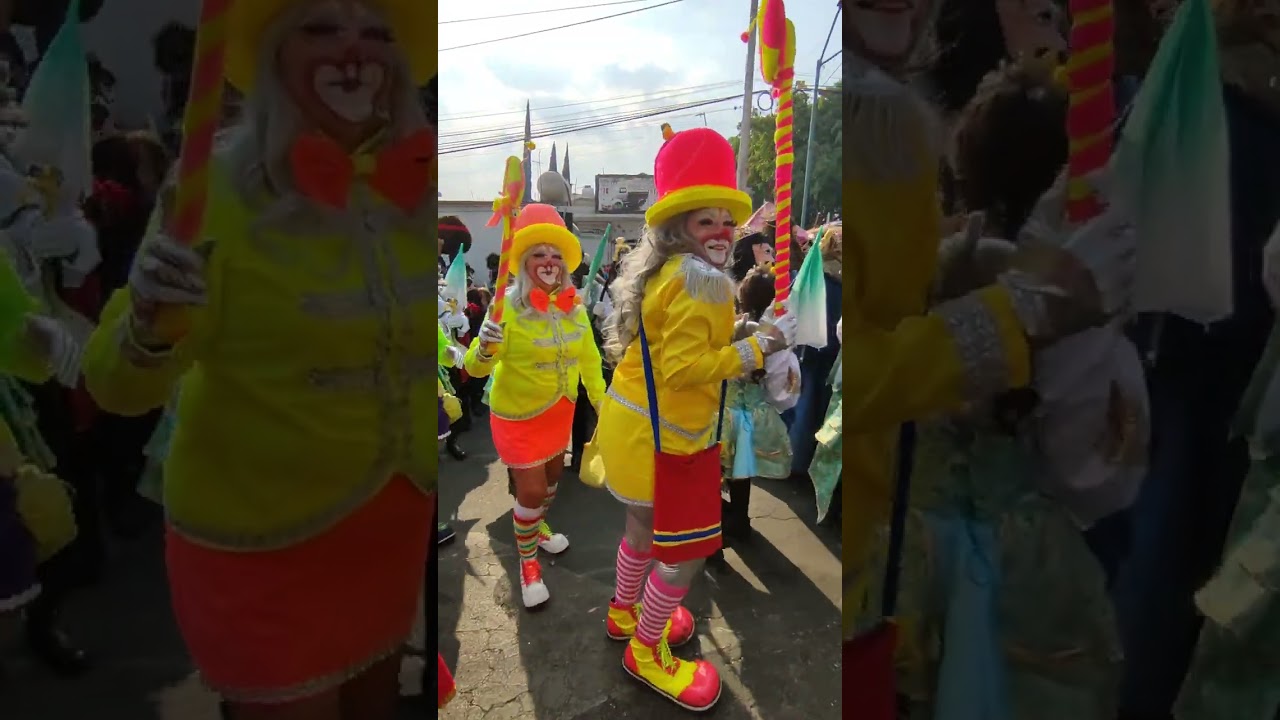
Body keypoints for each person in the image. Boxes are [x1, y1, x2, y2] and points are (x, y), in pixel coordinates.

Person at [79, 1, 434, 717]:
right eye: (321, 28)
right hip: (262, 543)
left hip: (393, 534)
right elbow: (115, 390)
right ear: (273, 56)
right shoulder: (211, 192)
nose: (353, 52)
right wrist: (147, 324)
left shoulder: (422, 188)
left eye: (376, 32)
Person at [841, 0, 1135, 647]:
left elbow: (884, 313)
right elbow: (853, 376)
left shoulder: (894, 120)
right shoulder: (868, 118)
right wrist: (1013, 316)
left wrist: (949, 275)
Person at [592, 125, 797, 710]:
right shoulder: (701, 278)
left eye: (725, 221)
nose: (722, 232)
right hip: (668, 440)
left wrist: (741, 330)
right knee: (683, 554)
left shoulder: (666, 272)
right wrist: (757, 350)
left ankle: (626, 612)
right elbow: (686, 368)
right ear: (680, 227)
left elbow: (672, 347)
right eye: (705, 221)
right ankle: (647, 651)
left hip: (634, 429)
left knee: (639, 531)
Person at [464, 203, 605, 609]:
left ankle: (538, 528)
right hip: (518, 416)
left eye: (556, 255)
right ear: (524, 261)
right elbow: (474, 369)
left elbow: (590, 359)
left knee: (553, 481)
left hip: (559, 412)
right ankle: (528, 565)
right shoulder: (504, 308)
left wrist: (602, 404)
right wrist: (485, 346)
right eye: (539, 254)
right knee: (531, 490)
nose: (549, 262)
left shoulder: (574, 306)